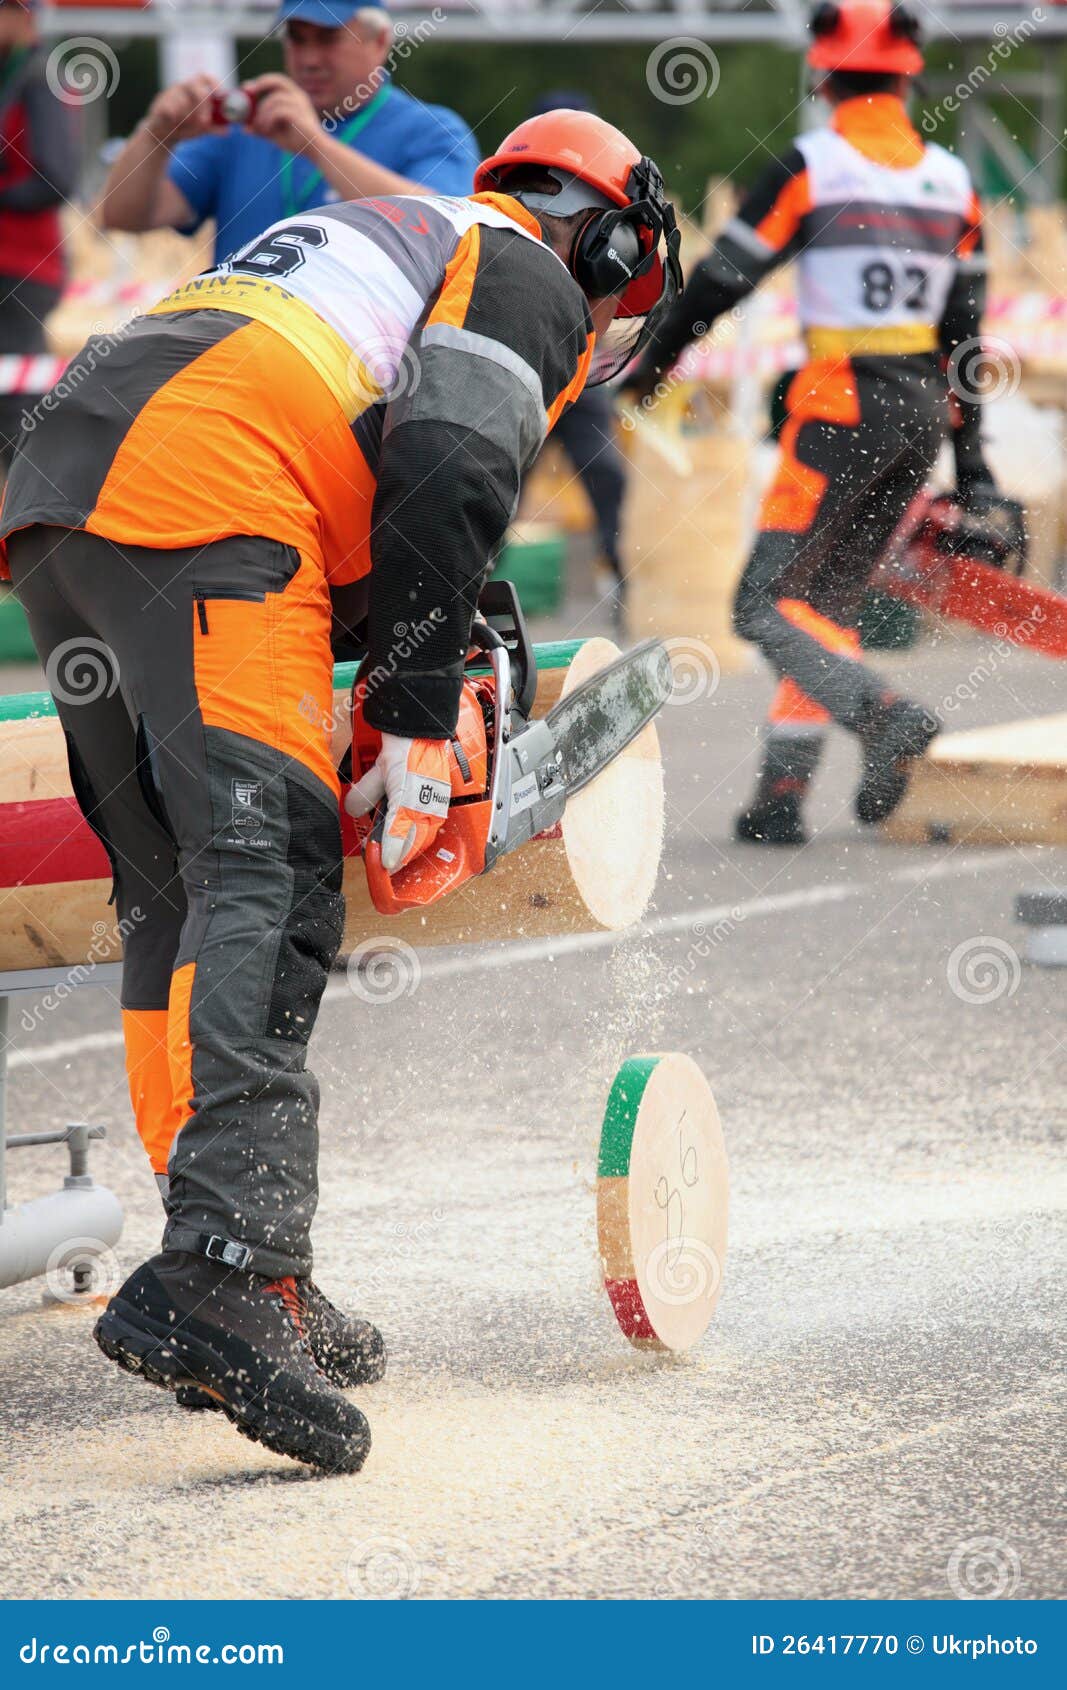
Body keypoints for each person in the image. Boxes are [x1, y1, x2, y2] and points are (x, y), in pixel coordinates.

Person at [0, 109, 681, 1473]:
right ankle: (225, 1269)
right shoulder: (520, 264)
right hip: (213, 493)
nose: (604, 320)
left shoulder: (389, 237)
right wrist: (417, 722)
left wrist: (412, 660)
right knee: (268, 864)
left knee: (174, 889)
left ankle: (229, 1261)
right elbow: (450, 462)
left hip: (68, 496)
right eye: (618, 293)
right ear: (609, 244)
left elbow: (376, 497)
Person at [624, 1, 1003, 845]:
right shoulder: (952, 181)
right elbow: (966, 340)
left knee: (759, 606)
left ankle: (885, 718)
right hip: (917, 415)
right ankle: (780, 797)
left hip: (839, 410)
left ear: (823, 76)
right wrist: (975, 470)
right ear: (908, 78)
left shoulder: (812, 166)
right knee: (818, 605)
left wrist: (650, 365)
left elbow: (724, 277)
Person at [99, 0, 479, 263]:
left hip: (363, 352)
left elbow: (444, 234)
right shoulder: (244, 127)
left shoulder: (434, 131)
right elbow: (121, 215)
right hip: (241, 341)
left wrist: (317, 146)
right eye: (297, 38)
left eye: (328, 38)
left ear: (380, 42)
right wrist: (157, 134)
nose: (309, 59)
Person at [523, 93, 630, 626]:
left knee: (607, 473)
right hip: (524, 366)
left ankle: (624, 578)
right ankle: (470, 589)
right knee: (498, 481)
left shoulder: (608, 217)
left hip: (582, 369)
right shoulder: (517, 214)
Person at [0, 0, 78, 466]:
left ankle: (27, 507)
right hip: (15, 265)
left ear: (22, 15)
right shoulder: (16, 74)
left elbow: (57, 178)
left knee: (17, 407)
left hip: (24, 268)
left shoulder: (38, 76)